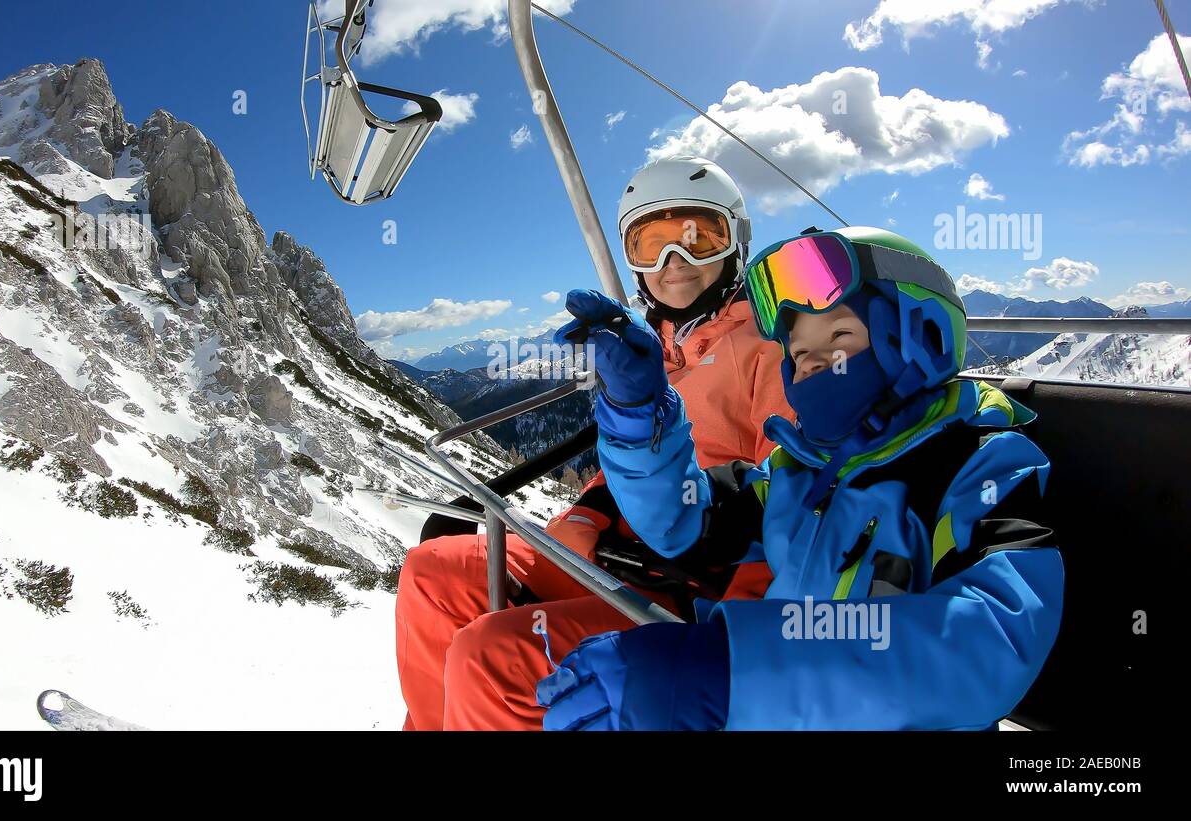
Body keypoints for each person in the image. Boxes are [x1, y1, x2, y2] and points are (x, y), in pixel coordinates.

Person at [535, 226, 1065, 730]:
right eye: (800, 351)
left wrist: (733, 675)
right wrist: (638, 413)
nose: (814, 365)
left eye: (839, 336)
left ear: (917, 334)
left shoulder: (981, 464)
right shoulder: (794, 473)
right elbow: (680, 523)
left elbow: (993, 639)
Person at [395, 156, 793, 730]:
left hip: (694, 582)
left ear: (735, 242)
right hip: (619, 547)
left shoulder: (771, 344)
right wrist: (591, 508)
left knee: (493, 653)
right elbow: (632, 460)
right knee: (433, 571)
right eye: (650, 244)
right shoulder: (657, 347)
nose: (672, 264)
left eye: (698, 238)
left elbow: (789, 495)